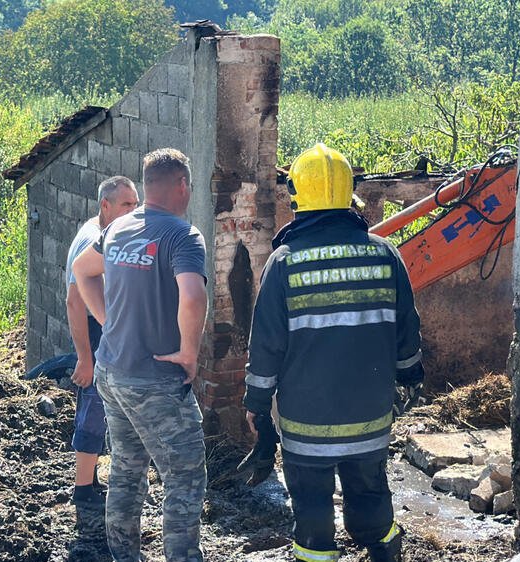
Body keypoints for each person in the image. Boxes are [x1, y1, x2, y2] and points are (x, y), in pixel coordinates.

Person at [243, 144, 424, 562]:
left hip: (307, 423)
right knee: (371, 493)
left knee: (312, 511)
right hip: (370, 416)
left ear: (297, 199)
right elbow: (406, 332)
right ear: (350, 196)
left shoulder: (285, 262)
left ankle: (318, 555)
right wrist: (411, 376)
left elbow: (266, 345)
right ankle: (382, 547)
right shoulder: (384, 255)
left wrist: (255, 403)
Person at [72, 148, 208, 562]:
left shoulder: (118, 229)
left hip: (112, 372)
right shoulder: (183, 236)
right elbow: (193, 294)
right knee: (184, 477)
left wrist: (108, 321)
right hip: (154, 380)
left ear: (146, 187)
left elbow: (82, 270)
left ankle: (123, 555)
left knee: (128, 469)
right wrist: (189, 352)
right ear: (182, 186)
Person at [64, 176, 139, 533]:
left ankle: (90, 481)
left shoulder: (113, 235)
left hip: (107, 328)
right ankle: (82, 489)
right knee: (93, 404)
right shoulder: (91, 241)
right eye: (126, 204)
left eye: (136, 204)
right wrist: (85, 357)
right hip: (95, 333)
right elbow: (74, 302)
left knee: (101, 406)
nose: (133, 211)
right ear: (105, 206)